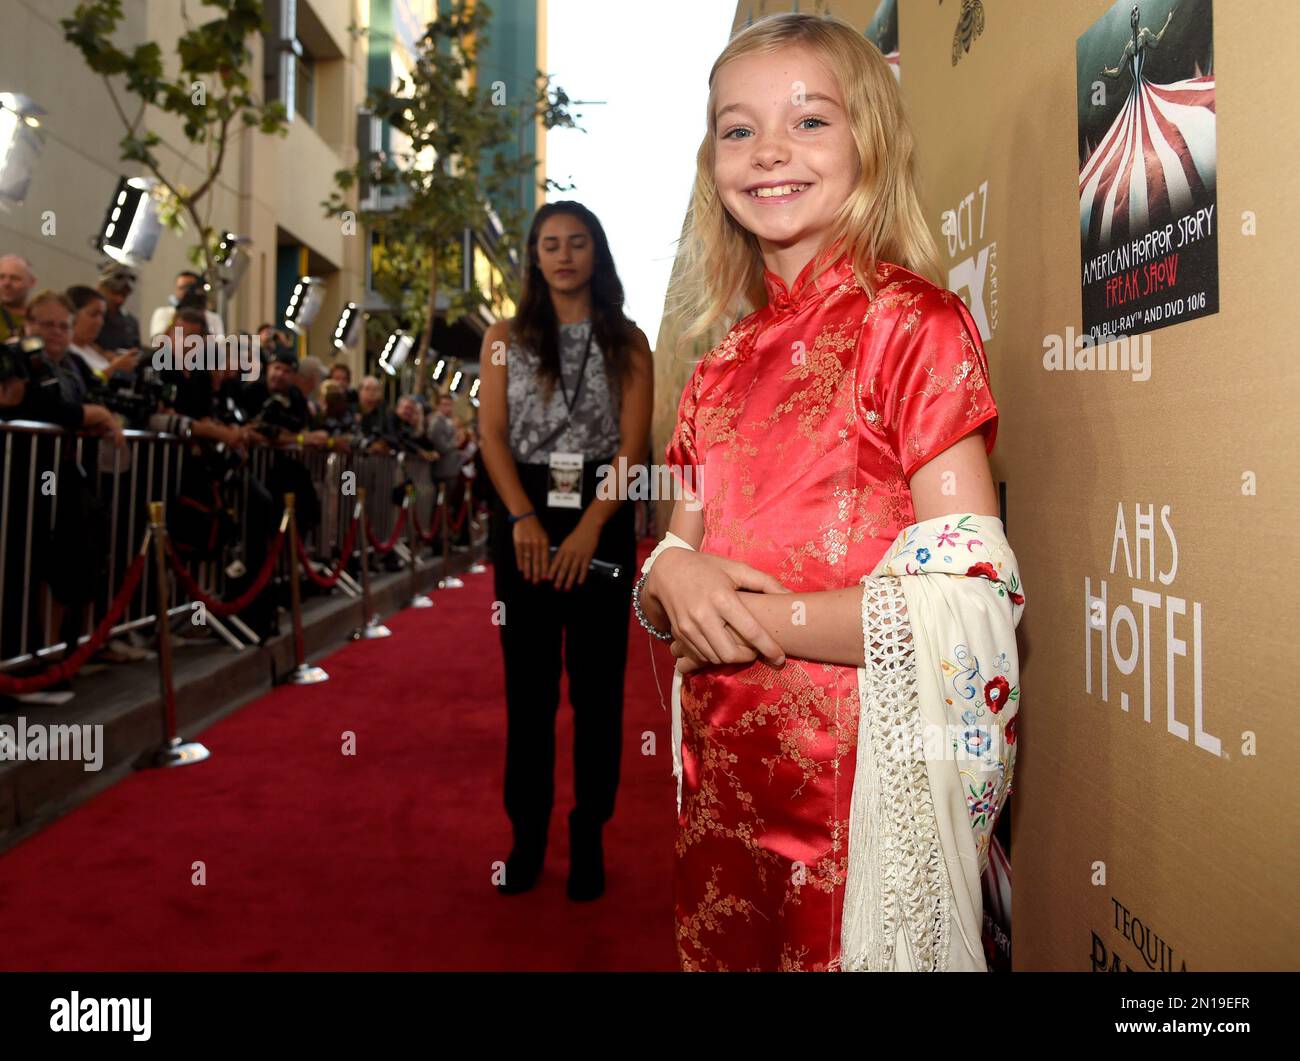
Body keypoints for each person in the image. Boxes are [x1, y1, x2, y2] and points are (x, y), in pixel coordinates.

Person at [637, 13, 1023, 972]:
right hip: (721, 797)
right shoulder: (713, 369)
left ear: (870, 142)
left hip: (861, 809)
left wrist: (754, 611)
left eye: (810, 120)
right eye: (738, 128)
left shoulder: (914, 328)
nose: (769, 150)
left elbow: (969, 600)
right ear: (710, 161)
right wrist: (668, 579)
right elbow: (673, 566)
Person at [478, 201, 653, 902]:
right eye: (549, 244)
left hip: (600, 516)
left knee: (598, 689)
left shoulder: (628, 340)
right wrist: (521, 516)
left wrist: (589, 530)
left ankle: (589, 834)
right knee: (528, 692)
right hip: (521, 515)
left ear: (596, 253)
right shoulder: (503, 336)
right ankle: (526, 839)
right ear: (534, 256)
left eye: (576, 243)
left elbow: (632, 448)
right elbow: (491, 434)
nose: (562, 255)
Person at [148, 270, 223, 342]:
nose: (185, 292)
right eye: (181, 288)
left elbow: (219, 344)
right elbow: (158, 341)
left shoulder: (213, 318)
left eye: (189, 287)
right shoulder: (164, 313)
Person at [95, 263, 142, 354]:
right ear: (102, 288)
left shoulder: (131, 322)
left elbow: (136, 351)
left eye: (124, 295)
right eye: (114, 293)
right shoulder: (90, 315)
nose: (119, 301)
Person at [0, 254, 37, 341]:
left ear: (32, 282)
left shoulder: (41, 319)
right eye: (1, 277)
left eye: (14, 278)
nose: (6, 283)